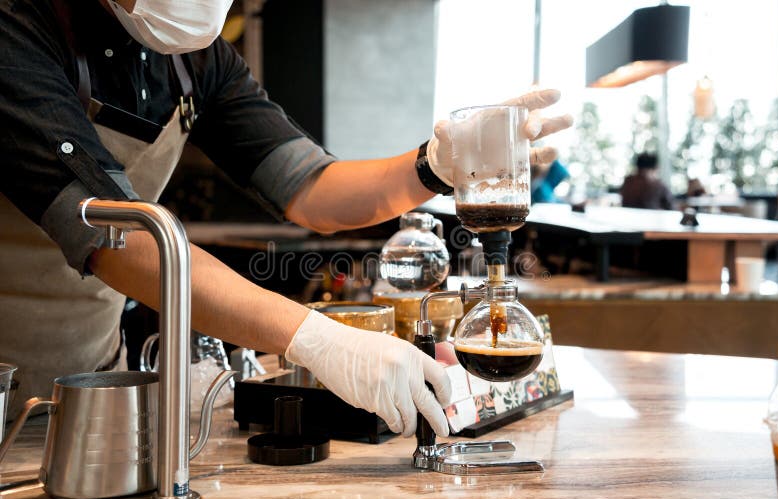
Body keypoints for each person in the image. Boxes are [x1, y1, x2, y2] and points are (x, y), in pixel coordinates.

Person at [0, 0, 572, 433]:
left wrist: (433, 166)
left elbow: (314, 190)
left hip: (91, 384)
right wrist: (315, 338)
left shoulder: (197, 60)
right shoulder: (18, 28)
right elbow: (120, 240)